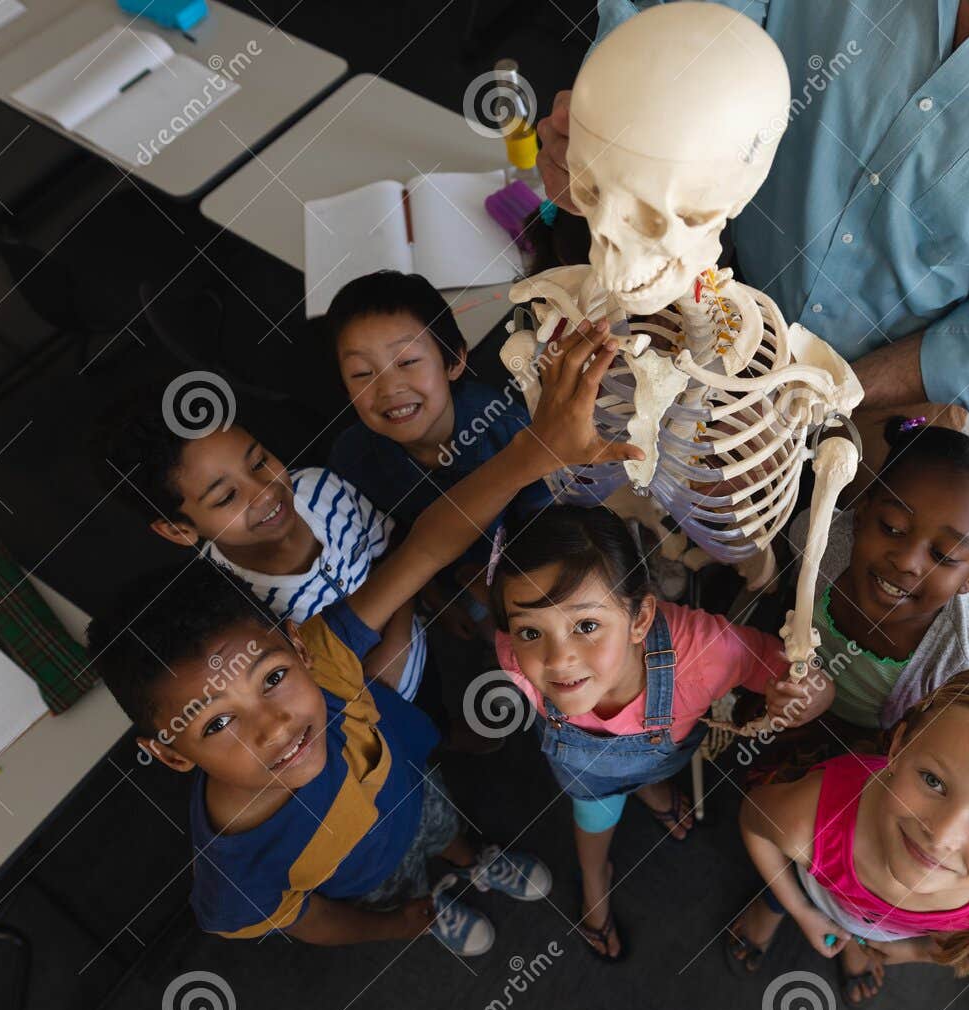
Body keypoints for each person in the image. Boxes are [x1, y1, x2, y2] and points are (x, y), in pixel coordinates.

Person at [88, 323, 639, 950]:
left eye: (274, 678)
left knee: (438, 818)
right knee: (402, 880)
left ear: (297, 644)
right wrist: (391, 926)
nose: (275, 725)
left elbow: (424, 547)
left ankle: (471, 856)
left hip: (409, 786)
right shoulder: (235, 871)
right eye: (216, 722)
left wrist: (534, 450)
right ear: (169, 753)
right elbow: (306, 918)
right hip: (373, 883)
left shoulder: (317, 645)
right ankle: (429, 907)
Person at [540, 0, 969, 416]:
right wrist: (620, 136)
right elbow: (683, 25)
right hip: (697, 282)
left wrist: (812, 400)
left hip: (883, 389)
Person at [489, 504, 834, 960]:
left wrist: (806, 695)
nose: (557, 660)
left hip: (659, 758)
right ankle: (595, 877)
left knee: (636, 778)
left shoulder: (704, 652)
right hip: (587, 778)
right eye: (532, 632)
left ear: (639, 618)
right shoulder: (512, 656)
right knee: (593, 814)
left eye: (586, 626)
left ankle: (647, 789)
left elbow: (794, 674)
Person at [728, 666, 969, 1008]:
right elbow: (754, 820)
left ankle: (857, 942)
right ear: (898, 748)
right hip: (817, 886)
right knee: (787, 882)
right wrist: (799, 908)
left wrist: (914, 951)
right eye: (933, 781)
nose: (940, 836)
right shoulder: (810, 818)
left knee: (860, 933)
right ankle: (773, 905)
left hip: (879, 929)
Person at [327, 271, 552, 746]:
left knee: (537, 654)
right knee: (462, 661)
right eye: (363, 374)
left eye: (407, 361)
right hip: (440, 591)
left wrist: (503, 593)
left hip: (522, 576)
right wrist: (437, 597)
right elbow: (385, 546)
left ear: (454, 360)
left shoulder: (506, 426)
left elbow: (545, 521)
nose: (388, 388)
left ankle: (547, 709)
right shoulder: (352, 460)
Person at [97, 394, 424, 699]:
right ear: (179, 530)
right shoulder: (227, 606)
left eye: (258, 462)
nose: (265, 492)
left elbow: (394, 549)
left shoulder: (321, 488)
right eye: (227, 496)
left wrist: (399, 643)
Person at [782, 418, 969, 749]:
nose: (907, 562)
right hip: (779, 682)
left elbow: (957, 750)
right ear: (862, 515)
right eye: (892, 527)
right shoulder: (817, 542)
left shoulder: (965, 665)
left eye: (944, 554)